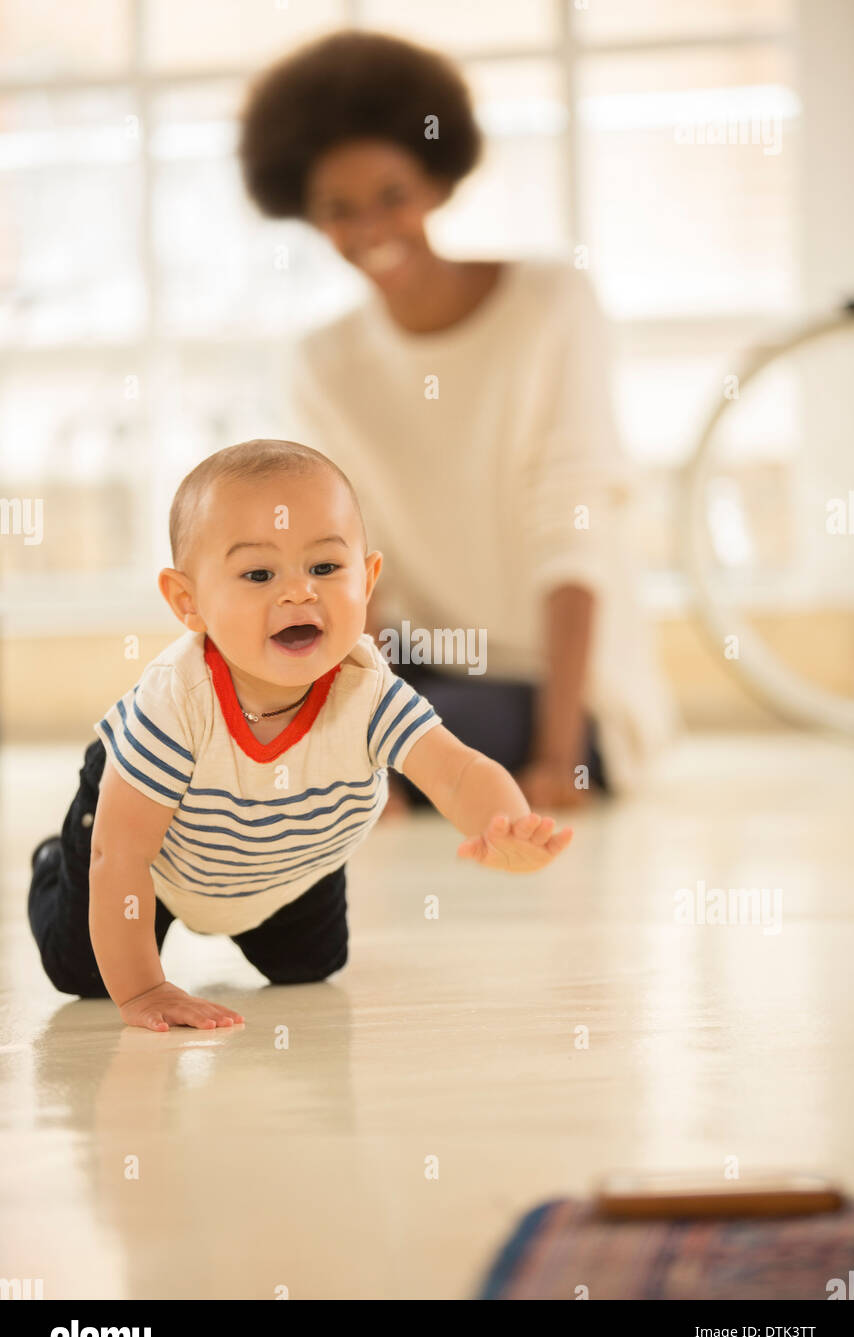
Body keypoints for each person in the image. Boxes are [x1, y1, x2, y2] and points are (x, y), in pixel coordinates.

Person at [239, 29, 678, 818]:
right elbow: (343, 559)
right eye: (339, 210)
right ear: (309, 219)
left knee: (384, 753)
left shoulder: (551, 305)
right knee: (230, 728)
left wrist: (556, 760)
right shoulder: (321, 361)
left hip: (559, 688)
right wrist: (346, 734)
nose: (371, 228)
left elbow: (570, 520)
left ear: (437, 184)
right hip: (419, 662)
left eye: (391, 196)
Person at [27, 439, 574, 1030]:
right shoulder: (175, 705)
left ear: (367, 580)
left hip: (287, 858)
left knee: (312, 966)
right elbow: (122, 853)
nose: (298, 591)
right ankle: (55, 862)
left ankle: (275, 894)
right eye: (259, 573)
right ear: (189, 602)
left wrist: (504, 825)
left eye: (324, 567)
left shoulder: (366, 690)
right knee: (84, 974)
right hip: (153, 859)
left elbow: (457, 771)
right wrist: (144, 991)